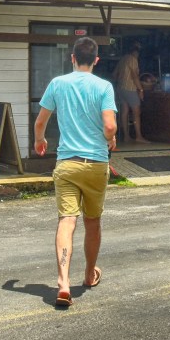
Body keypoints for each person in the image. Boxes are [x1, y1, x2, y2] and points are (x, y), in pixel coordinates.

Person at [34, 36, 118, 309]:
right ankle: (89, 274)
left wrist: (40, 140)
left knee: (67, 221)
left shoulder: (58, 84)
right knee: (92, 221)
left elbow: (40, 122)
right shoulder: (104, 86)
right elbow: (109, 126)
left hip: (67, 163)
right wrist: (110, 138)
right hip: (95, 164)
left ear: (72, 58)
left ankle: (62, 283)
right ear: (96, 60)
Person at [112, 41, 148, 142]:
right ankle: (139, 136)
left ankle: (126, 136)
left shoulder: (123, 59)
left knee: (124, 112)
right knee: (136, 113)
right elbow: (134, 76)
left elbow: (114, 74)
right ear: (136, 52)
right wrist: (140, 89)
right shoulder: (133, 59)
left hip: (121, 88)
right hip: (130, 89)